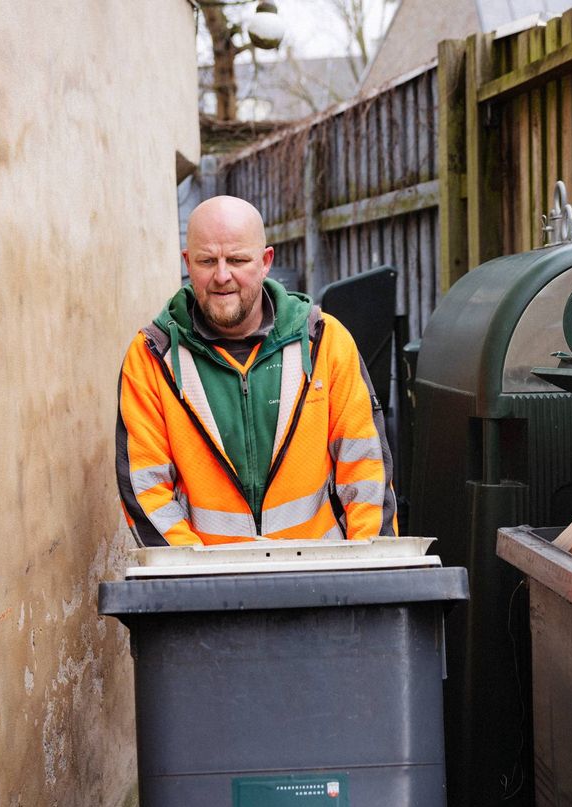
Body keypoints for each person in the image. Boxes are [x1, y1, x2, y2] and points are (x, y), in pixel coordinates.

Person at [115, 196, 397, 545]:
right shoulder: (152, 357)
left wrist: (369, 576)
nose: (222, 276)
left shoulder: (324, 341)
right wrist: (195, 585)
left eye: (237, 259)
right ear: (188, 262)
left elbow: (366, 472)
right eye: (207, 261)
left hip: (321, 581)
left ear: (265, 262)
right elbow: (146, 490)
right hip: (209, 588)